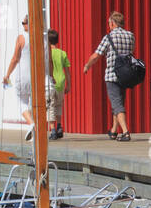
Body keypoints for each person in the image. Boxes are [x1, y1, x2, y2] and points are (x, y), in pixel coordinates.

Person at [83, 11, 135, 141]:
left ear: (112, 23)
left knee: (117, 104)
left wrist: (87, 65)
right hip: (126, 74)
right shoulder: (130, 35)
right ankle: (113, 130)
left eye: (109, 23)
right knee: (118, 102)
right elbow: (131, 52)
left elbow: (96, 55)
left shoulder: (109, 37)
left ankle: (126, 132)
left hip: (112, 75)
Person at [2, 15, 35, 139]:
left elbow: (15, 58)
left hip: (23, 75)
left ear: (28, 24)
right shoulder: (42, 37)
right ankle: (36, 127)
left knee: (22, 102)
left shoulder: (22, 38)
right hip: (38, 75)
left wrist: (7, 75)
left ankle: (32, 124)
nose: (23, 25)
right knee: (35, 103)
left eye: (23, 23)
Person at [47, 29, 71, 140]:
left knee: (50, 106)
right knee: (59, 105)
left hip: (51, 82)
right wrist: (68, 84)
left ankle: (52, 130)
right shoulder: (62, 53)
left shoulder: (47, 53)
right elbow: (66, 70)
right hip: (61, 82)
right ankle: (59, 126)